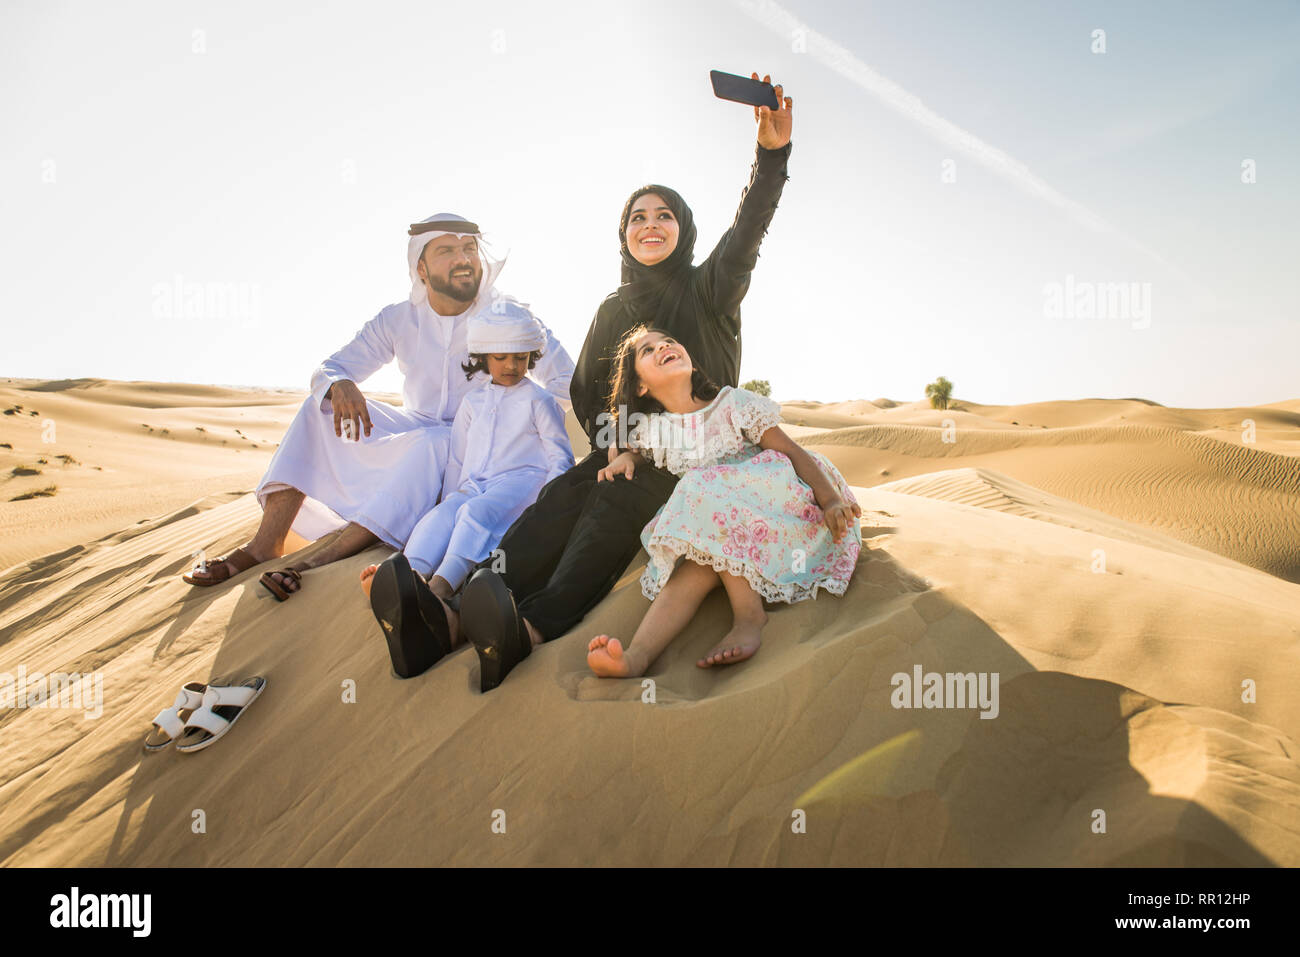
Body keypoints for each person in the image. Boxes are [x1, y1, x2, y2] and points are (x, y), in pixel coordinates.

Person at [398, 72, 794, 693]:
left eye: (665, 215)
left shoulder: (711, 286)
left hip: (699, 454)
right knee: (565, 495)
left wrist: (772, 155)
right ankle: (453, 619)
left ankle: (527, 628)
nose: (651, 225)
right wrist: (618, 445)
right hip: (626, 447)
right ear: (624, 233)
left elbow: (750, 228)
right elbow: (588, 391)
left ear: (682, 228)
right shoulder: (613, 308)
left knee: (611, 502)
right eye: (638, 217)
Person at [181, 212, 573, 598]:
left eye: (470, 249)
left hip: (472, 453)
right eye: (447, 251)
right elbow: (329, 368)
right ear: (421, 267)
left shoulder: (506, 316)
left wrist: (518, 425)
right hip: (413, 432)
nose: (463, 259)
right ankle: (264, 545)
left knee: (433, 444)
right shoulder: (398, 319)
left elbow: (567, 383)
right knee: (317, 409)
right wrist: (340, 384)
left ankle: (319, 561)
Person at [585, 328, 862, 677]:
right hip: (721, 521)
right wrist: (628, 458)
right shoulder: (656, 429)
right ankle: (636, 656)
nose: (664, 347)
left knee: (702, 487)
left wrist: (831, 499)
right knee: (693, 571)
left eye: (668, 340)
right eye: (647, 350)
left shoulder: (733, 404)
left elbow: (791, 451)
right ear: (640, 386)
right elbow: (639, 451)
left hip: (782, 500)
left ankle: (749, 617)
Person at [358, 309, 574, 678]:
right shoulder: (473, 402)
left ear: (531, 358)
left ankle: (440, 588)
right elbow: (458, 459)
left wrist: (551, 502)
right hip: (474, 482)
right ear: (483, 358)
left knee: (475, 514)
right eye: (501, 357)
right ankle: (409, 578)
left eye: (520, 358)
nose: (511, 365)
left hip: (522, 482)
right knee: (445, 514)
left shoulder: (539, 400)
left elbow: (560, 455)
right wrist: (450, 495)